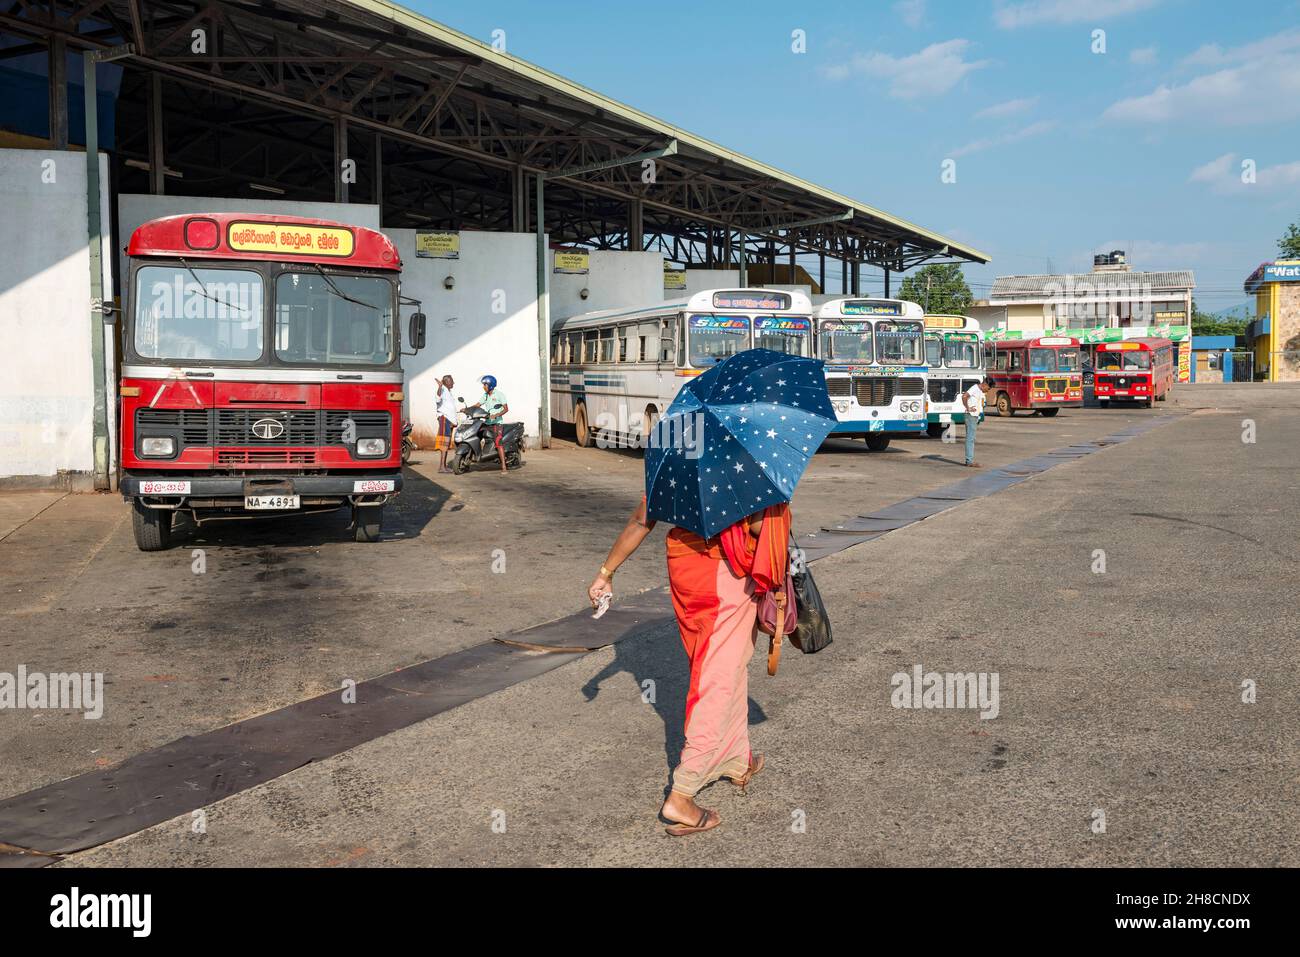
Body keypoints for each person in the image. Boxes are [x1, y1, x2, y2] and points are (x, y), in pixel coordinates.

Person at [588, 497, 790, 837]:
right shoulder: (737, 468)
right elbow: (757, 527)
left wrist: (606, 573)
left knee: (731, 663)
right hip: (724, 574)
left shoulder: (680, 459)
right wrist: (774, 508)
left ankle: (736, 758)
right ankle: (682, 794)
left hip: (687, 568)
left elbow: (641, 520)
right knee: (716, 678)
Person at [463, 375, 509, 474]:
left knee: (498, 443)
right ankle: (472, 458)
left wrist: (496, 415)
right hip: (487, 422)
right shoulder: (485, 395)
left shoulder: (499, 395)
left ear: (490, 385)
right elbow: (477, 405)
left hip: (497, 423)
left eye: (485, 385)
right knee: (475, 434)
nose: (483, 386)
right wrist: (467, 409)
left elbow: (506, 409)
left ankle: (504, 466)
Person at [960, 376, 991, 468]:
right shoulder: (975, 388)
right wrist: (968, 408)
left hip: (974, 417)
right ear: (985, 384)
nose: (988, 390)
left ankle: (969, 460)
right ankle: (969, 461)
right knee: (970, 438)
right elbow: (964, 396)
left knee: (971, 438)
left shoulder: (979, 390)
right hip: (970, 416)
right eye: (988, 388)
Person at [435, 374, 457, 473]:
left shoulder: (448, 391)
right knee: (444, 443)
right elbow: (437, 398)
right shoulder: (442, 389)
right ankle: (442, 467)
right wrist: (439, 387)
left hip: (449, 420)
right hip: (445, 419)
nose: (453, 383)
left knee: (446, 443)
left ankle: (443, 466)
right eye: (452, 381)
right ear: (447, 382)